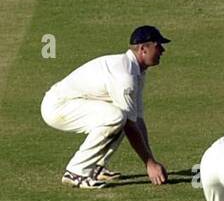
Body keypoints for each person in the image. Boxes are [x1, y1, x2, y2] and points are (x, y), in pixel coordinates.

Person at [40, 26, 171, 189]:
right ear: (143, 49)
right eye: (158, 45)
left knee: (123, 115)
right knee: (117, 117)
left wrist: (150, 160)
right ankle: (76, 172)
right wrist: (149, 163)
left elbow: (137, 120)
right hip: (58, 106)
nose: (163, 50)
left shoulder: (136, 71)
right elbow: (130, 126)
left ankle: (96, 167)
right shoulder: (125, 76)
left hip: (70, 102)